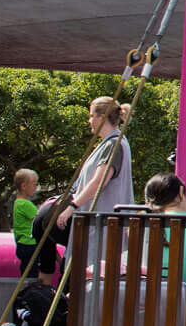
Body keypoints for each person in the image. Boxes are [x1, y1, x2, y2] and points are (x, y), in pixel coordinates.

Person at [42, 97, 134, 254]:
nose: (89, 121)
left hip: (101, 226)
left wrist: (72, 206)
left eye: (91, 116)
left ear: (101, 117)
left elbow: (99, 181)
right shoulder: (109, 143)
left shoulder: (113, 144)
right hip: (96, 224)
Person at [11, 168, 41, 274]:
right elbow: (40, 218)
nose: (36, 187)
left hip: (22, 244)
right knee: (32, 273)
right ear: (24, 186)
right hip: (30, 244)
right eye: (34, 184)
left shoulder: (17, 203)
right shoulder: (25, 204)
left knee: (26, 270)